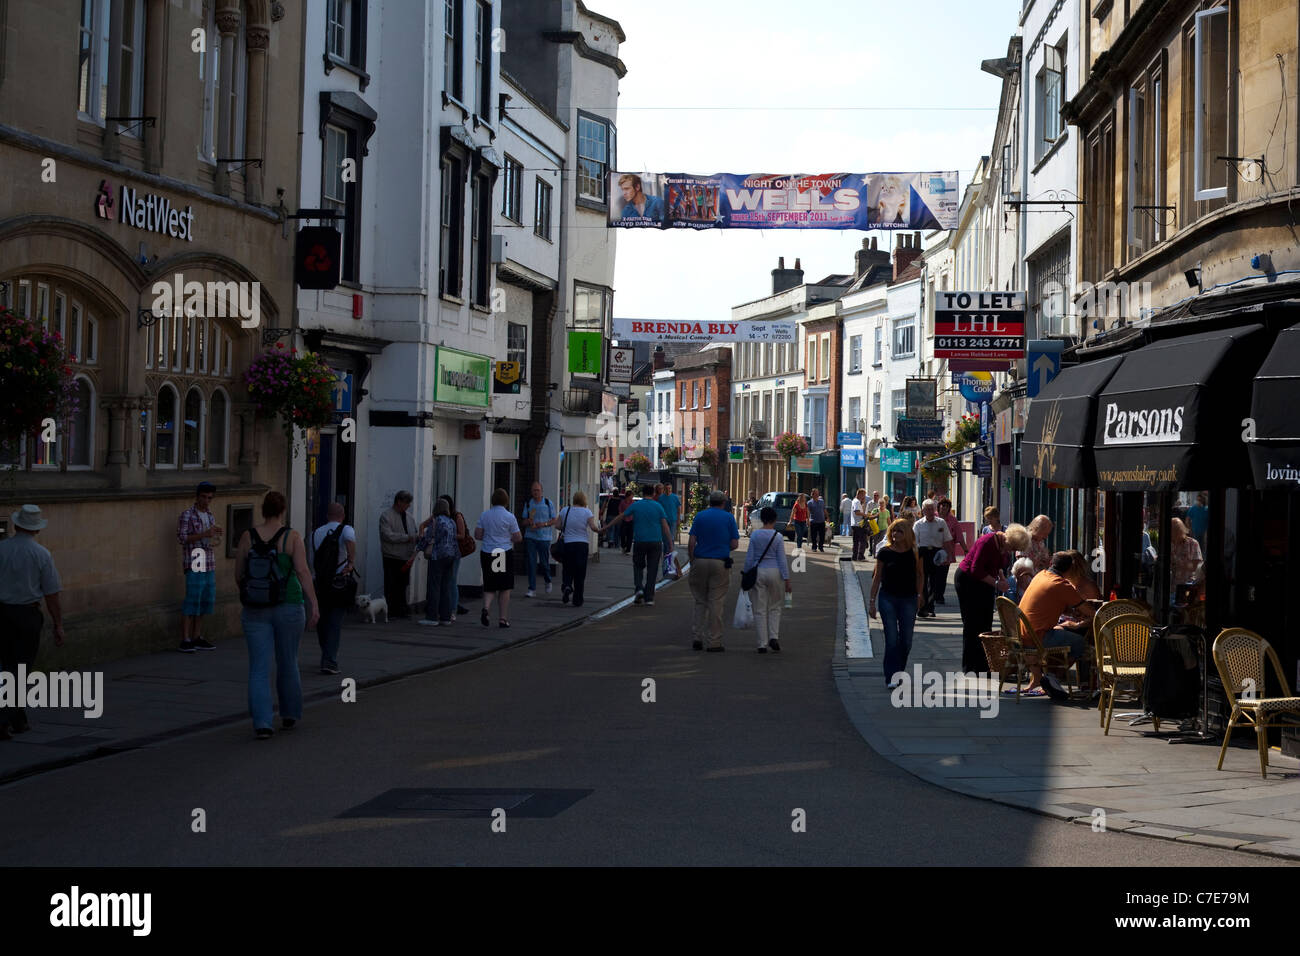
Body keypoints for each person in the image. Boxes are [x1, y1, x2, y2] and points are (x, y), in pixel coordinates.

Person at [234, 491, 320, 740]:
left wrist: (251, 594)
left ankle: (262, 723)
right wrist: (314, 603)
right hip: (289, 605)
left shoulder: (247, 537)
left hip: (255, 610)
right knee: (288, 662)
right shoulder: (292, 537)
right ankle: (290, 714)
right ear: (282, 511)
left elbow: (238, 574)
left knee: (258, 668)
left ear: (263, 510)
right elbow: (303, 572)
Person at [0, 505, 65, 738]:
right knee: (20, 669)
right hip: (27, 615)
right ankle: (4, 719)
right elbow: (52, 594)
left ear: (16, 525)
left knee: (6, 666)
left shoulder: (1, 549)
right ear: (36, 530)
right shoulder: (42, 554)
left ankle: (18, 719)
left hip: (2, 613)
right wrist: (58, 624)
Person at [1018, 551, 1098, 696]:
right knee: (1082, 644)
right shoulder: (1061, 584)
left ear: (1051, 564)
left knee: (1064, 633)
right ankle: (1054, 678)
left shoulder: (1040, 575)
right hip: (1039, 637)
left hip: (1022, 633)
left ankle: (1041, 679)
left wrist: (1072, 613)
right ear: (1069, 569)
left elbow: (1052, 604)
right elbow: (1089, 611)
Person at [955, 523, 1030, 673]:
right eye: (1012, 547)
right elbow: (975, 569)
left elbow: (999, 567)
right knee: (972, 624)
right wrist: (997, 583)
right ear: (1008, 540)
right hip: (968, 581)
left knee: (985, 622)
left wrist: (1001, 580)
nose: (1012, 551)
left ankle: (984, 664)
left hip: (985, 581)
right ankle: (970, 666)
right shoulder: (987, 542)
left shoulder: (1004, 546)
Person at [869, 518, 925, 689]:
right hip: (888, 598)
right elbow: (877, 576)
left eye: (899, 531)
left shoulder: (916, 552)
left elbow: (920, 575)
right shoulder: (884, 552)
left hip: (909, 598)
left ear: (907, 533)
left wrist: (919, 595)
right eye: (893, 531)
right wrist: (872, 601)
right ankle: (891, 676)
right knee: (891, 639)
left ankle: (898, 670)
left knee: (906, 640)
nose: (895, 534)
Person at [687, 490, 740, 651]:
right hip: (719, 562)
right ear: (723, 503)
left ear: (709, 502)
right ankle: (714, 641)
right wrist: (722, 546)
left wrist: (692, 560)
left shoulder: (700, 516)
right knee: (716, 602)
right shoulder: (729, 518)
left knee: (700, 601)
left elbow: (691, 541)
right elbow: (734, 544)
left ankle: (697, 637)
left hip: (700, 561)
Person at [603, 484, 672, 605]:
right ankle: (649, 597)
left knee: (638, 566)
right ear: (652, 493)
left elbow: (621, 516)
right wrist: (670, 542)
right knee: (652, 569)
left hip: (640, 541)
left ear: (643, 493)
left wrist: (607, 526)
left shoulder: (636, 505)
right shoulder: (658, 506)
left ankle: (639, 588)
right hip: (655, 541)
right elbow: (665, 525)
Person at [176, 481, 222, 652]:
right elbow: (182, 538)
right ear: (197, 496)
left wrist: (215, 535)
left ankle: (197, 635)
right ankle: (185, 638)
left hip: (208, 556)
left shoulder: (210, 516)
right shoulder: (187, 515)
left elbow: (209, 536)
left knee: (206, 598)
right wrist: (204, 534)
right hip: (195, 556)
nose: (206, 501)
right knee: (193, 597)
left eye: (209, 498)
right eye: (203, 497)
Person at [311, 502, 355, 674]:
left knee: (322, 621)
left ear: (327, 515)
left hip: (320, 582)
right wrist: (351, 563)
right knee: (335, 621)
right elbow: (351, 543)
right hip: (338, 582)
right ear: (342, 515)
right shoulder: (346, 529)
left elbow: (311, 559)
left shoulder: (314, 533)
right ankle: (329, 660)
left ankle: (326, 652)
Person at [745, 506, 792, 653]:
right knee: (775, 606)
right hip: (774, 571)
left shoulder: (755, 535)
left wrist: (746, 574)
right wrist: (787, 579)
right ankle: (774, 636)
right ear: (775, 520)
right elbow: (782, 559)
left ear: (761, 519)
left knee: (759, 609)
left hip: (758, 571)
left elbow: (749, 558)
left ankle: (761, 643)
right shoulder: (777, 537)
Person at [476, 488, 523, 628]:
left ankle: (486, 608)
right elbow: (518, 537)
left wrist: (489, 537)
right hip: (502, 552)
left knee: (490, 585)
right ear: (506, 501)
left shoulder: (485, 515)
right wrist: (506, 538)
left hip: (487, 552)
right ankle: (502, 619)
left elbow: (478, 535)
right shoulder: (509, 517)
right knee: (504, 587)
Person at [550, 490, 603, 607]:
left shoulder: (565, 510)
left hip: (568, 544)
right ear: (584, 500)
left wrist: (567, 527)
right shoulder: (587, 512)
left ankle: (567, 585)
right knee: (580, 572)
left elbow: (557, 526)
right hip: (582, 545)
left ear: (573, 499)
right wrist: (600, 530)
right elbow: (593, 527)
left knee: (567, 568)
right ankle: (578, 599)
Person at [415, 499, 458, 626]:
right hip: (451, 556)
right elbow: (454, 540)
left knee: (434, 586)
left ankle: (432, 617)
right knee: (446, 587)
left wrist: (417, 549)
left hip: (438, 556)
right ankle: (445, 617)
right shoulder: (452, 522)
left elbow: (428, 539)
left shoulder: (436, 521)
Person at [379, 491, 418, 619]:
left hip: (406, 556)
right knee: (391, 584)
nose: (408, 506)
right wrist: (407, 538)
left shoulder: (410, 517)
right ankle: (390, 610)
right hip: (392, 556)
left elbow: (414, 532)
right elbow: (387, 535)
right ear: (399, 502)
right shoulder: (386, 516)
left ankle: (401, 609)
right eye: (407, 503)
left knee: (403, 584)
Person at [912, 499, 953, 618]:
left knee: (935, 582)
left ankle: (931, 607)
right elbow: (914, 543)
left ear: (935, 510)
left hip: (937, 553)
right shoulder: (918, 524)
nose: (929, 511)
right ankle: (922, 608)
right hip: (923, 554)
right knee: (922, 581)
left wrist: (949, 555)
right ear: (923, 510)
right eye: (927, 509)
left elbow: (947, 540)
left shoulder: (941, 523)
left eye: (931, 509)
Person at [520, 482, 556, 598]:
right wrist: (528, 522)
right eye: (534, 490)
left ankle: (547, 579)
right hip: (530, 536)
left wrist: (544, 524)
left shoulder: (548, 503)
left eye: (538, 490)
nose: (536, 492)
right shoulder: (528, 503)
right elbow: (523, 521)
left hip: (544, 537)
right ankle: (532, 588)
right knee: (531, 562)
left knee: (544, 562)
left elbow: (554, 520)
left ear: (542, 491)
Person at [439, 494, 471, 617]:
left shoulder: (457, 516)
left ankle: (453, 609)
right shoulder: (439, 516)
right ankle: (445, 607)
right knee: (444, 580)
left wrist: (447, 534)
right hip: (443, 552)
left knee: (452, 580)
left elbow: (462, 535)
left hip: (454, 552)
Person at [934, 498, 966, 606]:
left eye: (946, 506)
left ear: (949, 508)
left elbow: (960, 536)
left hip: (947, 551)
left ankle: (939, 596)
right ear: (939, 507)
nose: (944, 508)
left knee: (942, 575)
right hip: (933, 550)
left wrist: (966, 549)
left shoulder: (953, 520)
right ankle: (932, 595)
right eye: (942, 506)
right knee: (932, 574)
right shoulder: (932, 517)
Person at [1170, 517, 1204, 589]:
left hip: (1187, 586)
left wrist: (1178, 563)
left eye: (1176, 532)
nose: (1174, 536)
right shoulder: (1168, 544)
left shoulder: (1193, 543)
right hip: (1171, 587)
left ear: (1182, 530)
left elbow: (1197, 567)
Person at [660, 479, 683, 547]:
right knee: (665, 538)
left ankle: (671, 553)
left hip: (673, 520)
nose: (668, 489)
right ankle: (666, 553)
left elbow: (678, 509)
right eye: (666, 488)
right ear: (664, 489)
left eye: (669, 488)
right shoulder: (661, 498)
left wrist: (678, 520)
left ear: (671, 489)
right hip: (664, 520)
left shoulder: (675, 497)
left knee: (672, 537)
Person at [850, 488, 870, 560]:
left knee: (856, 541)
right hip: (859, 524)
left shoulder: (855, 501)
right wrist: (866, 515)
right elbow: (857, 512)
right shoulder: (857, 502)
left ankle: (855, 556)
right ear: (860, 494)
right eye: (864, 495)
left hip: (855, 524)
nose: (864, 497)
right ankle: (860, 556)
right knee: (863, 541)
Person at [807, 488, 828, 552]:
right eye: (816, 494)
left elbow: (824, 510)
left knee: (822, 535)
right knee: (814, 535)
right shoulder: (809, 503)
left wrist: (827, 517)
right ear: (812, 494)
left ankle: (821, 547)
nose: (817, 495)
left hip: (821, 521)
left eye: (818, 493)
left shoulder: (821, 501)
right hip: (813, 521)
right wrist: (807, 520)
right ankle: (814, 547)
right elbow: (808, 512)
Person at [618, 488, 635, 554]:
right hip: (624, 520)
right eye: (632, 495)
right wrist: (621, 517)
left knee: (630, 535)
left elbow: (635, 511)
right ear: (628, 496)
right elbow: (620, 510)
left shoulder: (633, 503)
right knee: (622, 534)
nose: (632, 497)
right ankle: (623, 546)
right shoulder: (623, 502)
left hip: (631, 520)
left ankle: (628, 549)